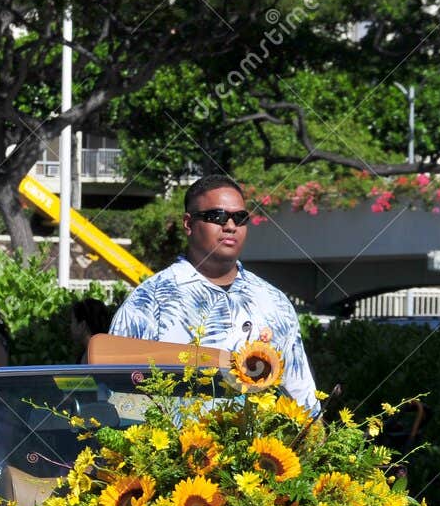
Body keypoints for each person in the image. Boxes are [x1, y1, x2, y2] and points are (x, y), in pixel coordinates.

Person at [109, 175, 320, 410]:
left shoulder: (274, 301)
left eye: (240, 218)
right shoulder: (150, 300)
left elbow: (302, 396)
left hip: (261, 445)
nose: (230, 226)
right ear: (188, 224)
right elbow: (118, 395)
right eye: (216, 216)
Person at [68, 297, 113, 363]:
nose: (70, 326)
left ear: (82, 325)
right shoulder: (109, 353)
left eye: (72, 321)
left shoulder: (91, 358)